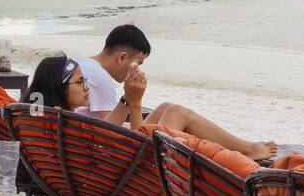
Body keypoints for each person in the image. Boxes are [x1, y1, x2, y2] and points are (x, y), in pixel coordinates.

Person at [24, 25, 276, 159]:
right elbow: (127, 144)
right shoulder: (94, 83)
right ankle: (243, 150)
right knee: (177, 112)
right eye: (80, 83)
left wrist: (126, 98)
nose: (87, 86)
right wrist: (135, 104)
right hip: (127, 174)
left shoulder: (58, 121)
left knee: (167, 107)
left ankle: (239, 150)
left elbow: (103, 133)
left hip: (106, 163)